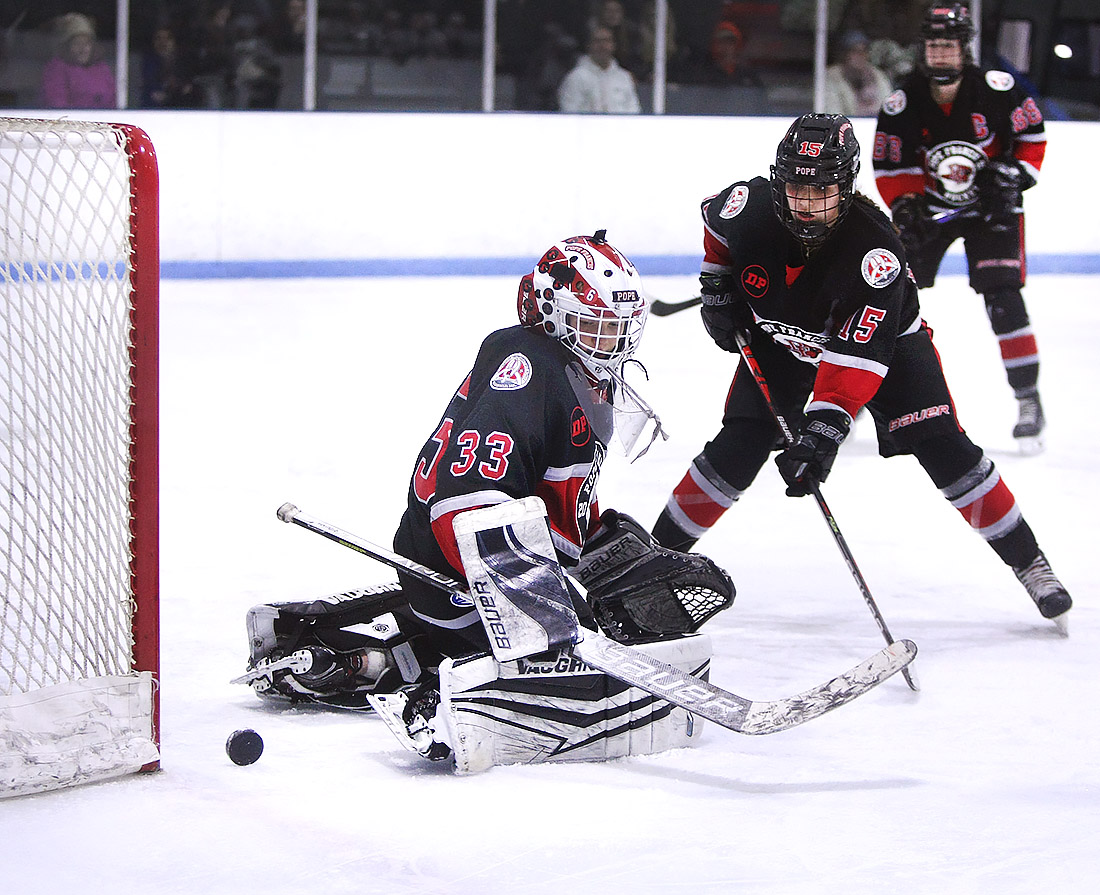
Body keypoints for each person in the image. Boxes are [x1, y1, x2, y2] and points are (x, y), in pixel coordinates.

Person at [241, 232, 733, 768]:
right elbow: (468, 500)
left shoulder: (568, 369)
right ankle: (407, 669)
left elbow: (550, 496)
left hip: (486, 562)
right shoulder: (527, 363)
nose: (611, 344)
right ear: (550, 313)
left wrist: (599, 548)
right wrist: (543, 602)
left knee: (629, 568)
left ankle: (364, 649)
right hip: (462, 569)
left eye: (620, 330)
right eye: (596, 326)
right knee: (531, 644)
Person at [650, 113, 1072, 634]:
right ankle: (650, 563)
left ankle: (1030, 562)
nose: (806, 202)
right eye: (796, 186)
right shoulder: (749, 207)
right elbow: (716, 226)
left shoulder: (874, 254)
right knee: (737, 445)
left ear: (846, 187)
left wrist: (823, 431)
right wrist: (716, 287)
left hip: (888, 349)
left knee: (944, 449)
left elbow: (852, 362)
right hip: (784, 339)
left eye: (822, 188)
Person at [872, 4, 1048, 448]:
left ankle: (1028, 398)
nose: (941, 53)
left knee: (1004, 298)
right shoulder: (904, 101)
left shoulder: (998, 90)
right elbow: (890, 163)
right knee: (885, 295)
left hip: (993, 212)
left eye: (949, 45)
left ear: (963, 49)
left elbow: (1032, 138)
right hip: (934, 213)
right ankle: (861, 392)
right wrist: (907, 204)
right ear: (924, 50)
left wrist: (1012, 176)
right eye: (934, 45)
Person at [557, 24, 642, 113]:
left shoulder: (624, 77)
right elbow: (569, 112)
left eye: (607, 41)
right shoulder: (576, 77)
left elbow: (634, 110)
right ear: (589, 45)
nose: (603, 46)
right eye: (597, 41)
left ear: (613, 45)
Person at [40, 11, 116, 109]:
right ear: (67, 46)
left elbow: (113, 101)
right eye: (77, 43)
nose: (82, 49)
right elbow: (57, 105)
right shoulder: (56, 69)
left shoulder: (102, 69)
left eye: (86, 43)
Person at [823, 30, 892, 116]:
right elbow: (832, 112)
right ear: (844, 54)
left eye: (864, 51)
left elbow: (888, 106)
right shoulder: (831, 76)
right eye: (855, 51)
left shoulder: (877, 74)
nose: (860, 55)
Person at [140, 24, 201, 108]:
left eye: (167, 38)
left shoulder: (184, 61)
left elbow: (188, 85)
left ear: (174, 41)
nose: (163, 42)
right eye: (158, 38)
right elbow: (151, 87)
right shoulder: (149, 62)